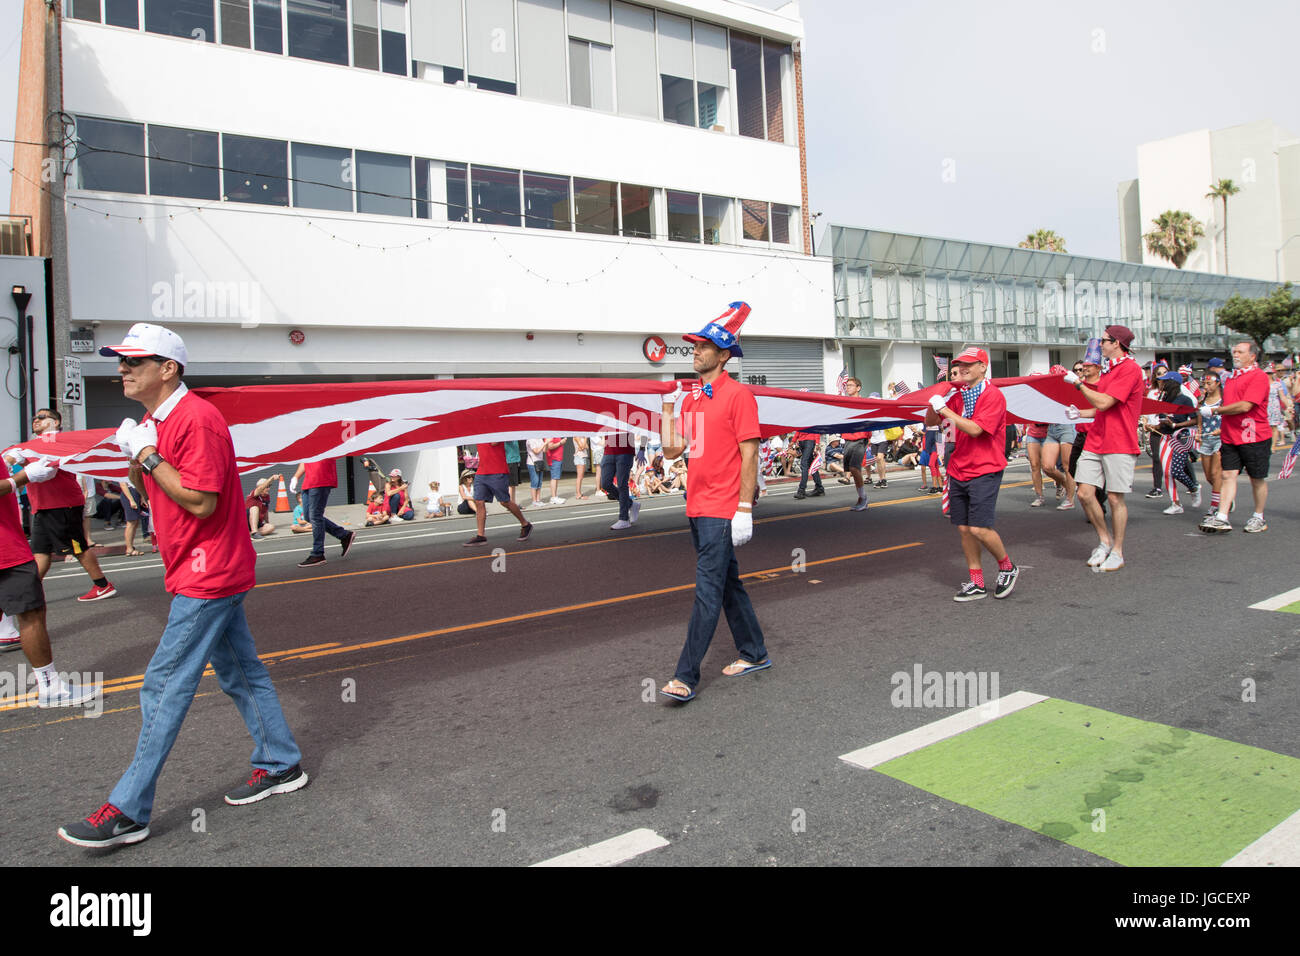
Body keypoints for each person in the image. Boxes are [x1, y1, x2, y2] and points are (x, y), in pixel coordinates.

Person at [60, 322, 307, 849]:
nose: (121, 369)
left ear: (168, 368)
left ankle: (128, 810)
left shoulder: (196, 419)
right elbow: (149, 495)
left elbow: (201, 500)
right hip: (201, 568)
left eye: (133, 361)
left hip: (210, 573)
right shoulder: (156, 420)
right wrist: (135, 453)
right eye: (120, 361)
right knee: (241, 672)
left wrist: (148, 455)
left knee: (163, 683)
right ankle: (282, 764)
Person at [658, 303, 769, 702]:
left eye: (705, 346)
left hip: (722, 509)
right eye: (695, 345)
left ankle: (685, 677)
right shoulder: (692, 399)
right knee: (727, 585)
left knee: (707, 589)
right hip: (697, 505)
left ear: (724, 355)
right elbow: (673, 451)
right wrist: (668, 407)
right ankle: (755, 652)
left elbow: (750, 454)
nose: (696, 351)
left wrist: (743, 509)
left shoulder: (738, 396)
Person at [0, 455, 97, 705]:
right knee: (31, 615)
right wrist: (22, 478)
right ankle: (51, 688)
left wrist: (9, 461)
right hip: (5, 549)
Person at [925, 346, 1018, 601]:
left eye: (969, 364)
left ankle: (1007, 567)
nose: (963, 368)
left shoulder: (992, 396)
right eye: (960, 364)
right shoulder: (958, 395)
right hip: (959, 468)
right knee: (965, 529)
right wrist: (936, 402)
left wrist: (944, 409)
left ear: (983, 367)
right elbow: (931, 423)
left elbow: (976, 429)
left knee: (979, 528)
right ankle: (977, 581)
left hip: (985, 468)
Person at [1064, 324, 1145, 571]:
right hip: (1096, 439)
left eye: (1104, 340)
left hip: (1119, 441)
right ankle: (1104, 541)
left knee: (1114, 498)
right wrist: (1080, 413)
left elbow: (1106, 402)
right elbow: (1100, 409)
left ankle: (1118, 551)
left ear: (1117, 343)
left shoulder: (1130, 370)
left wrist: (1079, 384)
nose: (1101, 344)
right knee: (1084, 493)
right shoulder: (1110, 371)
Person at [15, 409, 117, 602]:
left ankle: (103, 585)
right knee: (41, 551)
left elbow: (46, 468)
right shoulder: (33, 446)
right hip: (43, 506)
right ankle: (29, 593)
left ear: (55, 422)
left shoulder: (58, 442)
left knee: (77, 547)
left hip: (62, 504)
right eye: (34, 417)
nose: (36, 420)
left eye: (42, 417)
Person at [1200, 340, 1271, 533]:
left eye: (1240, 352)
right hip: (1231, 436)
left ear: (1252, 356)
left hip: (1254, 436)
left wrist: (1215, 411)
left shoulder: (1259, 377)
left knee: (1256, 478)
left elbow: (1245, 406)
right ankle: (1222, 516)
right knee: (1227, 474)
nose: (1235, 355)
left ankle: (1258, 517)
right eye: (1234, 352)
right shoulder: (1230, 378)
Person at [1147, 371, 1200, 515]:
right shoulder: (1164, 400)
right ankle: (1175, 503)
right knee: (1166, 471)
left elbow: (1195, 419)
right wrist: (1153, 427)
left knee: (1175, 470)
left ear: (1172, 384)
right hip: (1165, 437)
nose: (1161, 384)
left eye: (1164, 381)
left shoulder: (1185, 400)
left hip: (1180, 437)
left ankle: (1193, 487)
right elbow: (1162, 422)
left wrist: (1177, 425)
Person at [462, 440, 532, 546]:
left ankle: (525, 524)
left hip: (497, 470)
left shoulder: (495, 428)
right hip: (482, 471)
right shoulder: (479, 429)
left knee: (504, 502)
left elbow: (494, 442)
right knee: (479, 501)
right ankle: (481, 536)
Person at [290, 457, 354, 568]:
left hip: (321, 478)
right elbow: (305, 460)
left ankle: (318, 554)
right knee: (309, 516)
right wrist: (295, 477)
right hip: (308, 481)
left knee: (315, 516)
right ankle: (344, 535)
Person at [1196, 370, 1225, 520]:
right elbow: (1199, 419)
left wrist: (1221, 430)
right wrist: (1198, 432)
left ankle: (1215, 506)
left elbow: (1228, 417)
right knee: (1208, 476)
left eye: (1209, 383)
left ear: (1218, 383)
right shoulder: (1201, 400)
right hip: (1206, 440)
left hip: (1220, 439)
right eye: (1204, 384)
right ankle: (1225, 497)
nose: (1206, 386)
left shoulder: (1224, 400)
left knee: (1215, 473)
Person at [601, 424, 640, 530]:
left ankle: (624, 519)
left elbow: (643, 427)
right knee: (605, 484)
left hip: (625, 451)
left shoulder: (628, 409)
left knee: (622, 485)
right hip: (609, 450)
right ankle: (631, 504)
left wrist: (642, 449)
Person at [840, 378, 871, 511]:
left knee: (854, 468)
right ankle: (861, 497)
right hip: (848, 439)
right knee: (850, 470)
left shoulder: (864, 402)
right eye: (846, 386)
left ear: (858, 388)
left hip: (860, 438)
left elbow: (871, 418)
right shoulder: (845, 403)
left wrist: (868, 436)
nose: (848, 388)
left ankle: (863, 498)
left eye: (851, 385)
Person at [244, 474, 281, 539]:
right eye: (267, 486)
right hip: (246, 521)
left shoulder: (267, 497)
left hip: (257, 522)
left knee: (271, 527)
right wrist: (272, 477)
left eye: (269, 486)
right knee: (254, 508)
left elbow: (266, 510)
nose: (269, 488)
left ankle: (249, 534)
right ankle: (254, 532)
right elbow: (261, 488)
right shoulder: (254, 493)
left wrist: (267, 522)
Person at [792, 428, 824, 499]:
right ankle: (819, 488)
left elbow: (816, 428)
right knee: (809, 464)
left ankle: (801, 490)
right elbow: (798, 429)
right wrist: (793, 440)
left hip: (810, 440)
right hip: (802, 441)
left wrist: (817, 443)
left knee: (804, 463)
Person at [525, 438, 546, 507]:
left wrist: (547, 443)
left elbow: (544, 450)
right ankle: (534, 501)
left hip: (540, 462)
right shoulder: (530, 440)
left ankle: (538, 500)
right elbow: (536, 451)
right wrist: (545, 443)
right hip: (532, 463)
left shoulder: (540, 439)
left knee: (539, 482)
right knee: (535, 482)